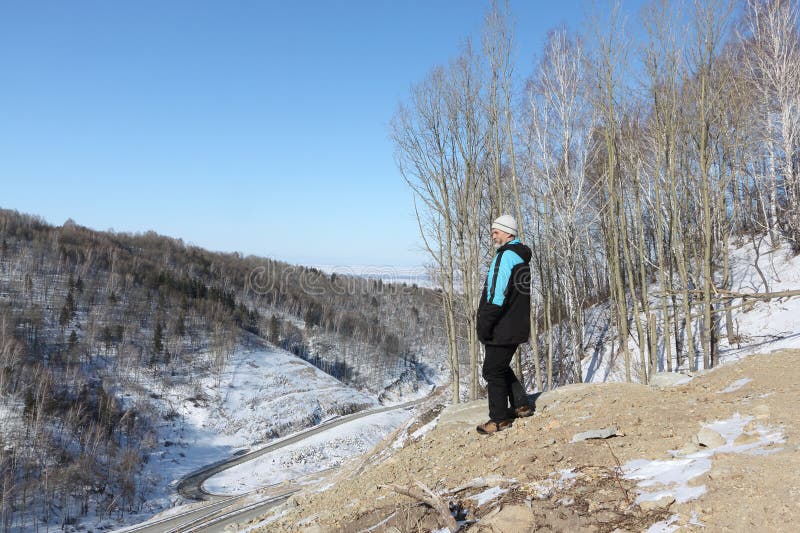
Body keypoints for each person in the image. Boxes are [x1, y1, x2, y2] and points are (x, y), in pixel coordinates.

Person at [475, 214, 533, 435]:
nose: (493, 235)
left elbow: (496, 296)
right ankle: (521, 404)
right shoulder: (520, 256)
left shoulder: (505, 256)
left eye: (496, 231)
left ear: (508, 233)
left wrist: (484, 324)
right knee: (499, 366)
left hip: (502, 324)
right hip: (517, 323)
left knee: (491, 370)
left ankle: (499, 420)